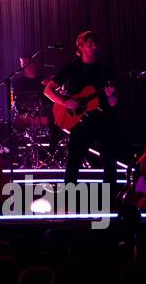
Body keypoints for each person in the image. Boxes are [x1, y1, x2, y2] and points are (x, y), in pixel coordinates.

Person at [43, 30, 125, 188]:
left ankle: (110, 197)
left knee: (109, 159)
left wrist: (111, 96)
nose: (94, 46)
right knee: (73, 160)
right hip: (80, 122)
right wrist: (64, 102)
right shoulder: (71, 68)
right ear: (80, 47)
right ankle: (68, 197)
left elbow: (114, 103)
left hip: (103, 120)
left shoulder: (105, 69)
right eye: (89, 44)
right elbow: (48, 90)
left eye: (95, 43)